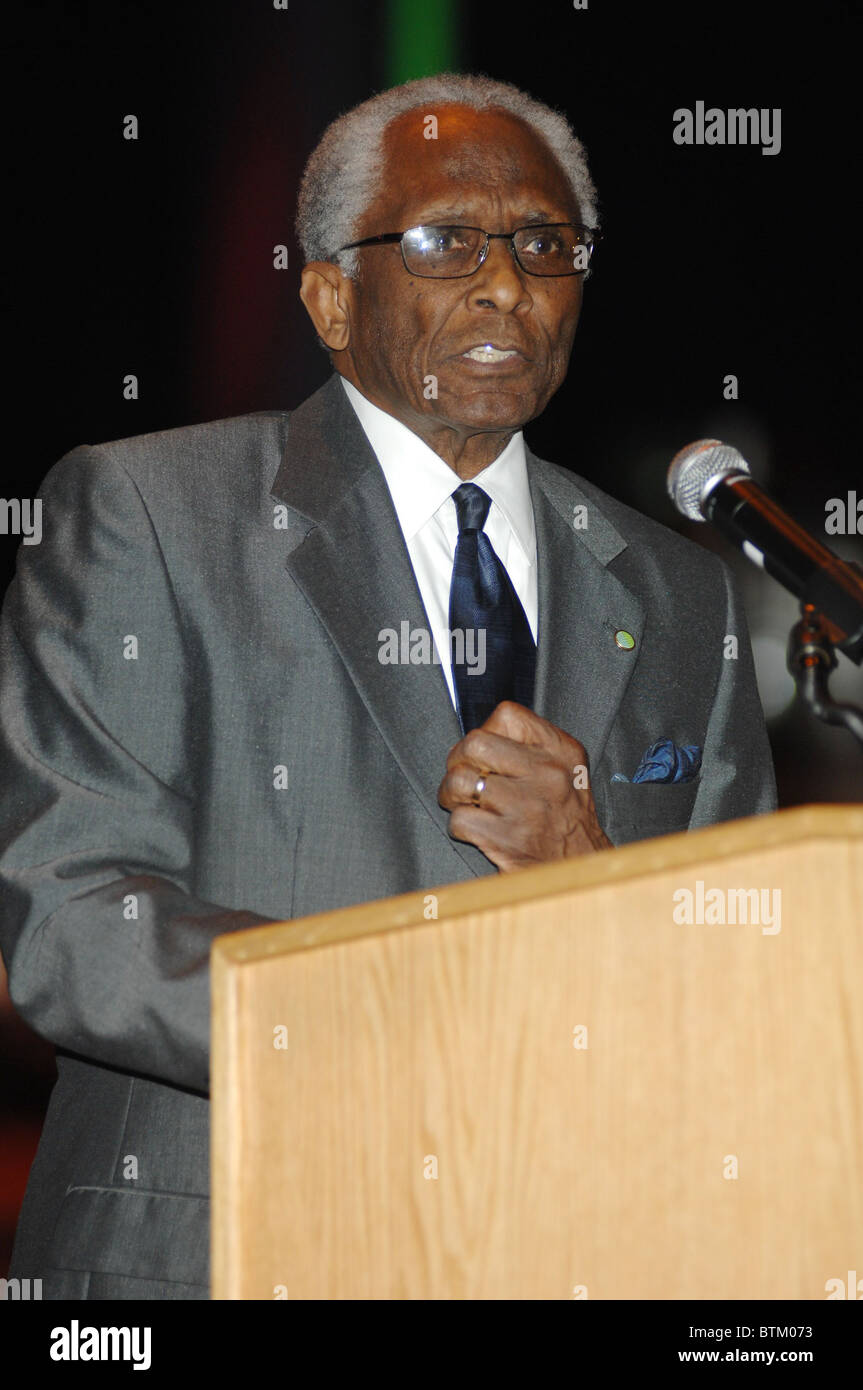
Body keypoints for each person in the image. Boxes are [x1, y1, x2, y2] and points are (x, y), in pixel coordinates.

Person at [0, 73, 776, 1300]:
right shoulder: (150, 512)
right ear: (326, 293)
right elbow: (74, 925)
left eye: (542, 243)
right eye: (443, 239)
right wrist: (412, 1013)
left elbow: (741, 988)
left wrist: (593, 883)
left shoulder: (677, 597)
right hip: (222, 1251)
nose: (505, 283)